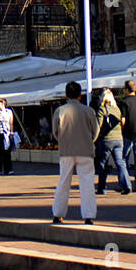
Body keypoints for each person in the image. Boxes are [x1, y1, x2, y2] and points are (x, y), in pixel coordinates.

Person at [51, 81, 98, 225]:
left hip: (66, 150)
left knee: (63, 182)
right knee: (87, 183)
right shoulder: (88, 111)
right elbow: (95, 131)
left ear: (66, 94)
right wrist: (89, 141)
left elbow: (55, 132)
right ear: (80, 95)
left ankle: (58, 214)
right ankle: (88, 215)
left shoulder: (60, 111)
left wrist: (63, 140)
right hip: (85, 150)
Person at [94, 88, 131, 195]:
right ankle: (127, 185)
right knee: (120, 162)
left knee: (103, 164)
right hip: (119, 139)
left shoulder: (102, 109)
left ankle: (102, 188)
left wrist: (94, 139)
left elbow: (98, 126)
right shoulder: (117, 109)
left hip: (107, 140)